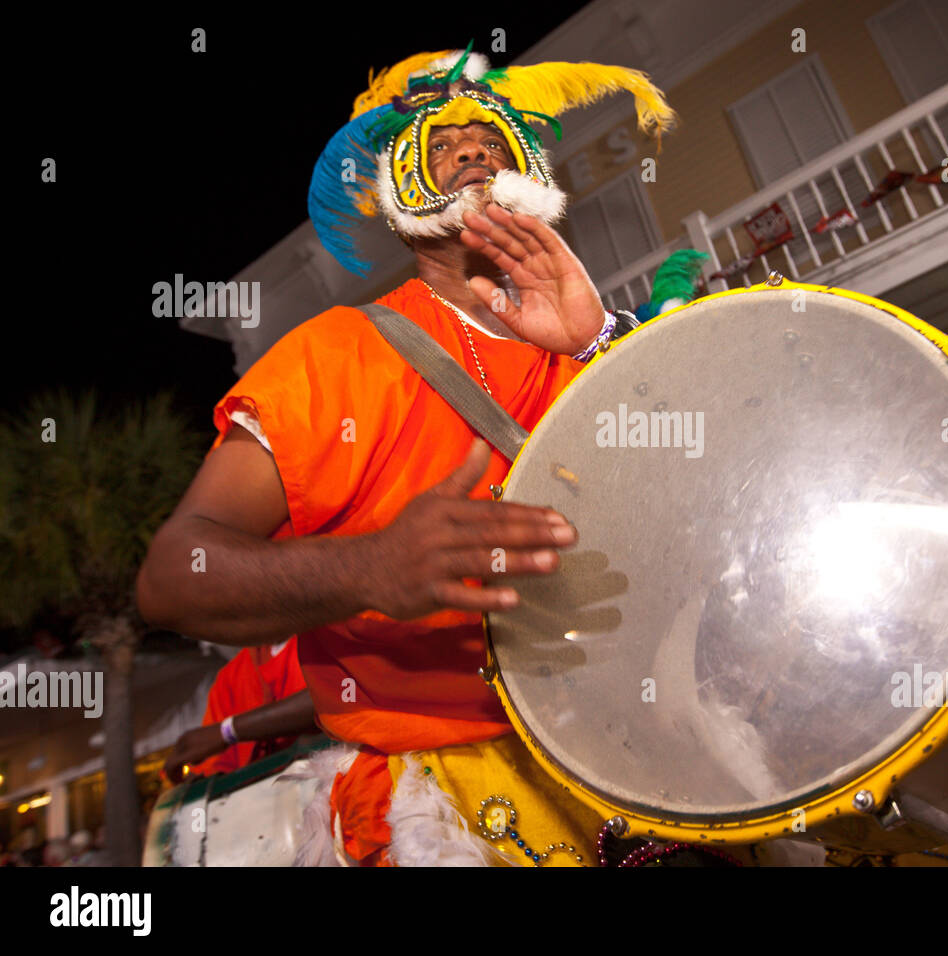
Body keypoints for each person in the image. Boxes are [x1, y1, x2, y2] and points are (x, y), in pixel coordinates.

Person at [137, 45, 677, 866]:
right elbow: (173, 578)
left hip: (653, 749)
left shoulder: (593, 340)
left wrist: (598, 344)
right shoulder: (335, 354)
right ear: (398, 202)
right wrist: (371, 569)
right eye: (442, 143)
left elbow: (710, 502)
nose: (472, 150)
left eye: (491, 140)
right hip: (454, 805)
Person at [164, 637, 313, 784]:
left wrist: (227, 731)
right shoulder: (229, 680)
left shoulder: (322, 631)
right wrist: (196, 782)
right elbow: (215, 769)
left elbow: (327, 697)